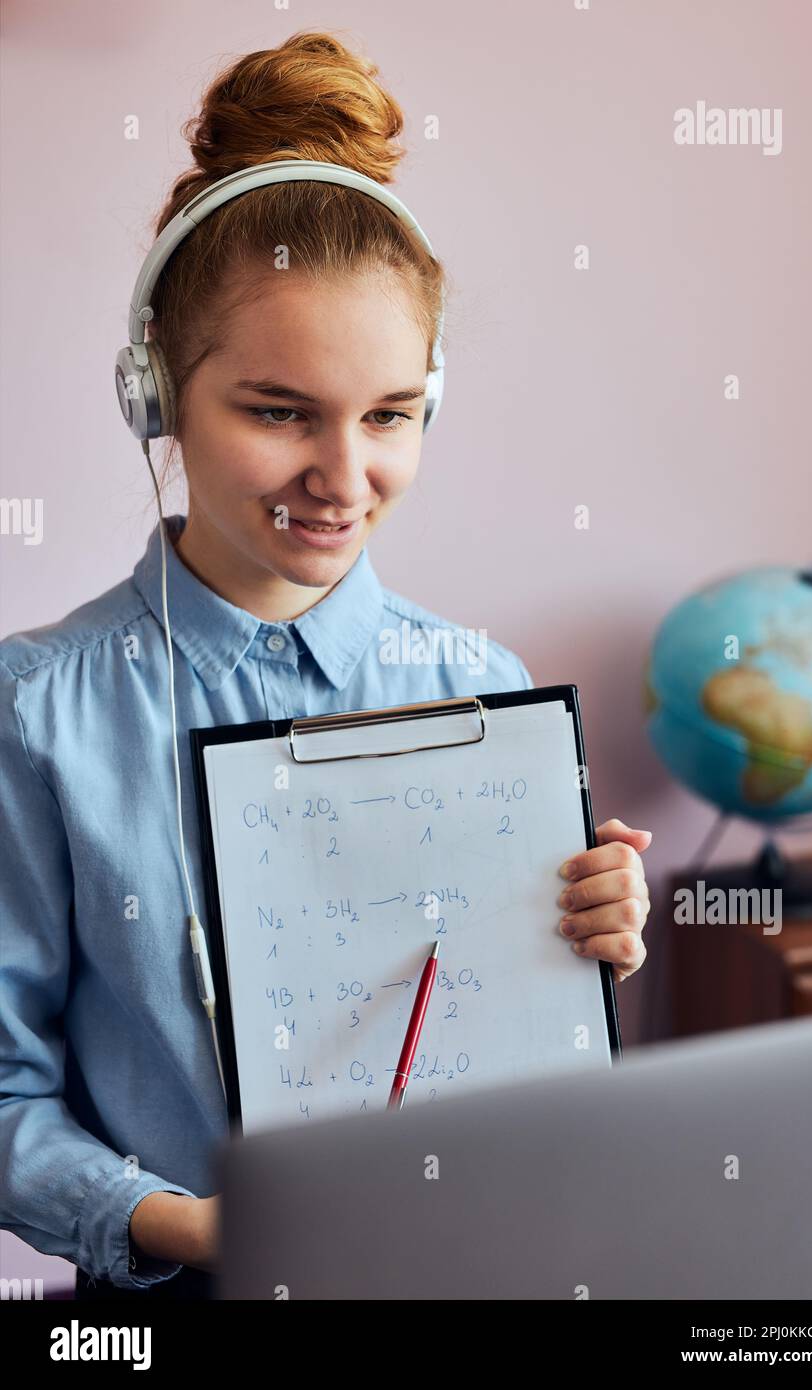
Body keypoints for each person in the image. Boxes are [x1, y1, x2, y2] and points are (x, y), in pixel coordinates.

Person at [0, 30, 651, 1300]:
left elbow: (519, 1053)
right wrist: (178, 1227)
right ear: (154, 397)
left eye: (389, 415)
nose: (343, 480)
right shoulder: (39, 715)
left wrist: (596, 944)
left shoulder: (482, 687)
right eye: (280, 410)